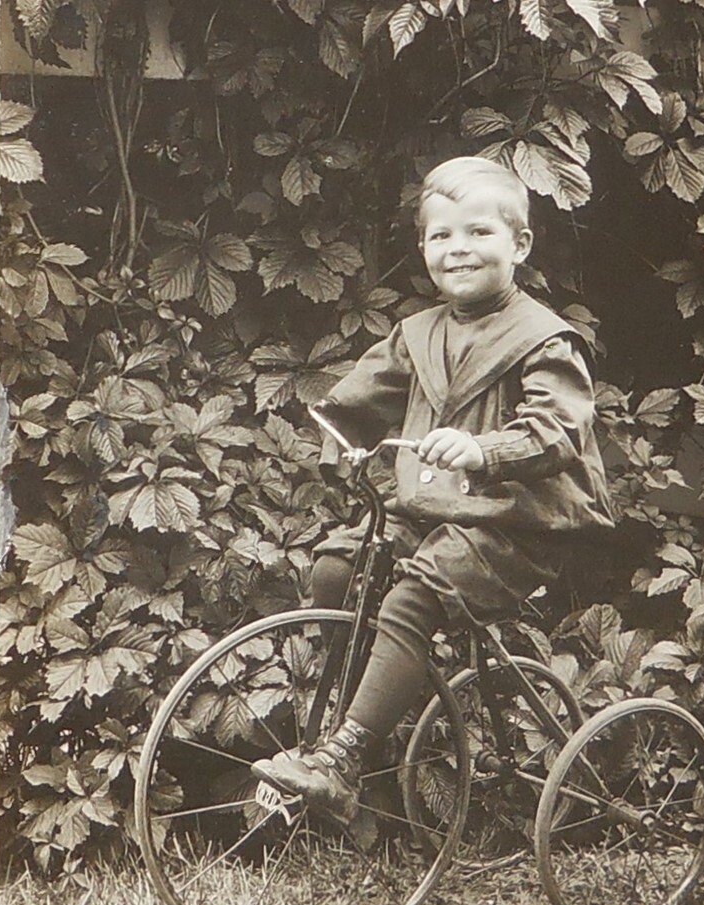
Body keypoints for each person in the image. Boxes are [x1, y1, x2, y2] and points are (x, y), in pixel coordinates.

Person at [252, 154, 614, 826]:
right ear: (423, 248)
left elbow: (555, 429)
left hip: (518, 523)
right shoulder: (417, 333)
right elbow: (353, 404)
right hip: (432, 510)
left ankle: (344, 757)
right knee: (335, 570)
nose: (458, 250)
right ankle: (342, 720)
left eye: (479, 232)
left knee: (414, 598)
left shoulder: (545, 339)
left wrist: (483, 448)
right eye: (441, 236)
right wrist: (337, 437)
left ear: (520, 244)